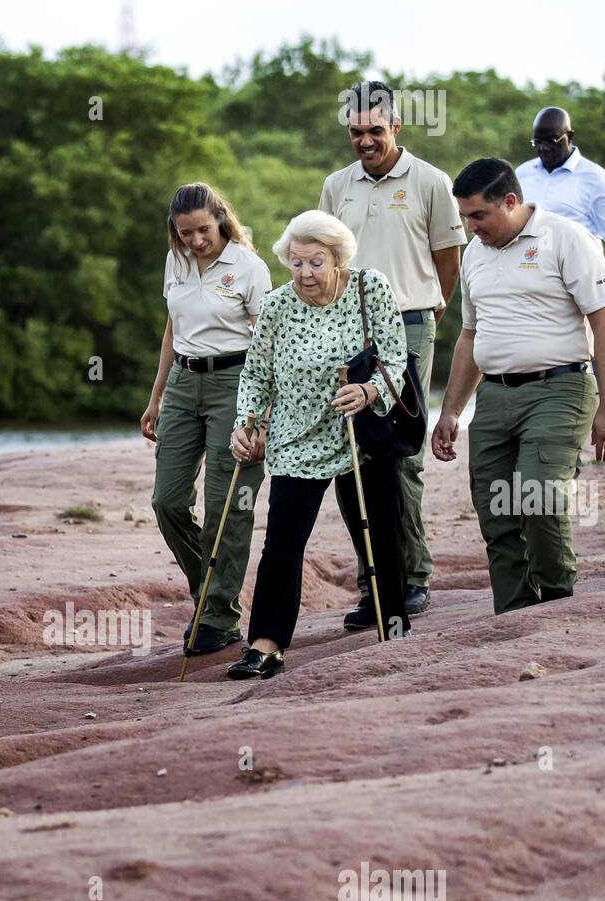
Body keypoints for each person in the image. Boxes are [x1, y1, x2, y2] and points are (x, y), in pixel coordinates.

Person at [432, 158, 605, 615]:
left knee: (538, 495)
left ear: (511, 201)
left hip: (560, 388)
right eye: (464, 217)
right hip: (495, 395)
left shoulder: (567, 238)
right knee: (495, 509)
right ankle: (515, 613)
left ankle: (556, 600)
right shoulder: (476, 253)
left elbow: (604, 318)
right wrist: (451, 411)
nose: (471, 226)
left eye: (479, 215)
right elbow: (470, 335)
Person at [224, 210, 411, 680]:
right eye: (297, 262)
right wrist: (246, 422)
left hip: (359, 434)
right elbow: (256, 374)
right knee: (283, 543)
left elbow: (394, 358)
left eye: (316, 263)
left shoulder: (371, 288)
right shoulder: (277, 306)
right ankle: (266, 645)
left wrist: (369, 392)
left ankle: (393, 623)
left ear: (337, 259)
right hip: (295, 438)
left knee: (380, 531)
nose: (305, 273)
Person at [319, 80, 465, 629]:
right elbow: (325, 260)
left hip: (407, 325)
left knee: (400, 451)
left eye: (375, 131)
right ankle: (374, 584)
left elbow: (449, 260)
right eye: (356, 132)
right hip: (345, 331)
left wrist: (432, 313)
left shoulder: (431, 182)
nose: (365, 141)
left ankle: (414, 579)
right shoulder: (336, 187)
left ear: (396, 127)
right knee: (354, 457)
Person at [141, 182, 273, 656]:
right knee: (167, 502)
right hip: (182, 382)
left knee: (227, 507)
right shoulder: (175, 261)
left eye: (203, 229)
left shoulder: (248, 267)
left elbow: (270, 342)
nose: (196, 241)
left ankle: (218, 616)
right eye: (185, 233)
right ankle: (211, 591)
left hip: (237, 385)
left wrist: (260, 416)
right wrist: (156, 398)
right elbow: (172, 329)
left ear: (220, 218)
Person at [516, 107, 605, 322]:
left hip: (580, 285)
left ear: (569, 136)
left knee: (594, 353)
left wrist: (603, 288)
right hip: (532, 285)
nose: (543, 148)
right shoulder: (522, 173)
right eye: (537, 142)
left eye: (551, 140)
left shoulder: (597, 180)